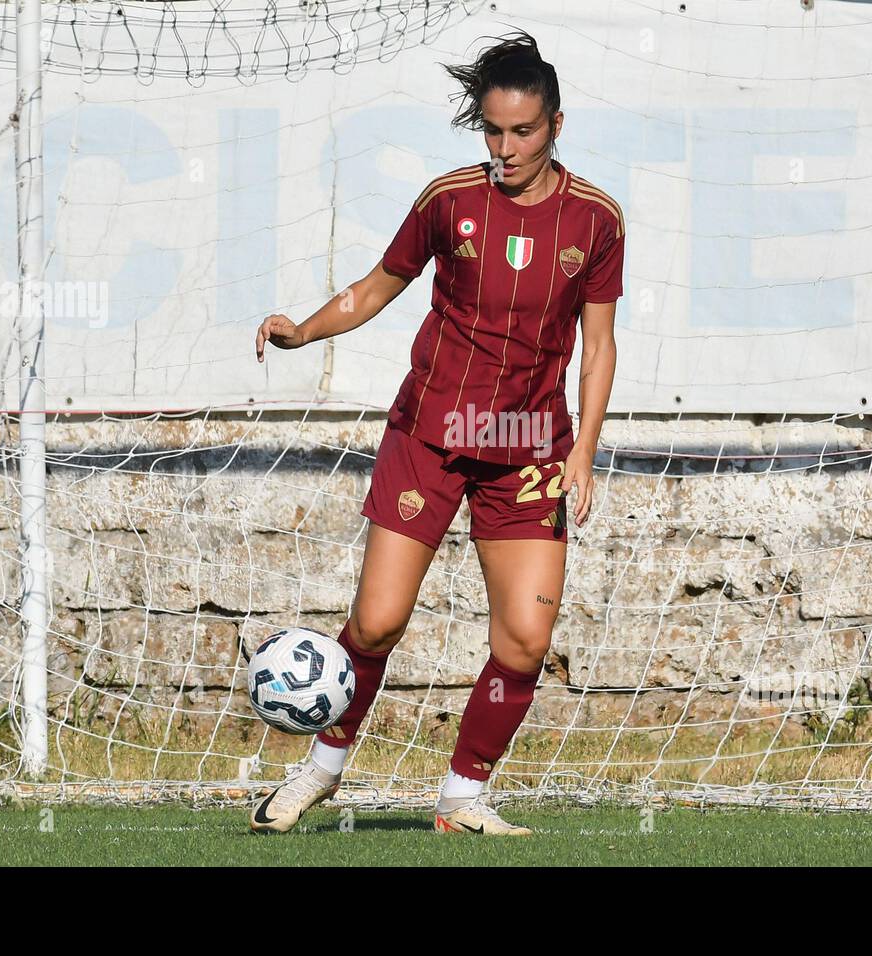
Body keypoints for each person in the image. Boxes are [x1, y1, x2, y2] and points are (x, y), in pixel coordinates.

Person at [250, 30, 624, 836]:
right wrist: (302, 332)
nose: (505, 146)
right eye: (492, 130)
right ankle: (321, 768)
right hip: (428, 433)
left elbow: (600, 346)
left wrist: (584, 450)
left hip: (529, 450)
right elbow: (373, 288)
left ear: (557, 125)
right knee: (378, 622)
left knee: (525, 642)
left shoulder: (595, 221)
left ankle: (462, 796)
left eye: (522, 131)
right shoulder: (448, 201)